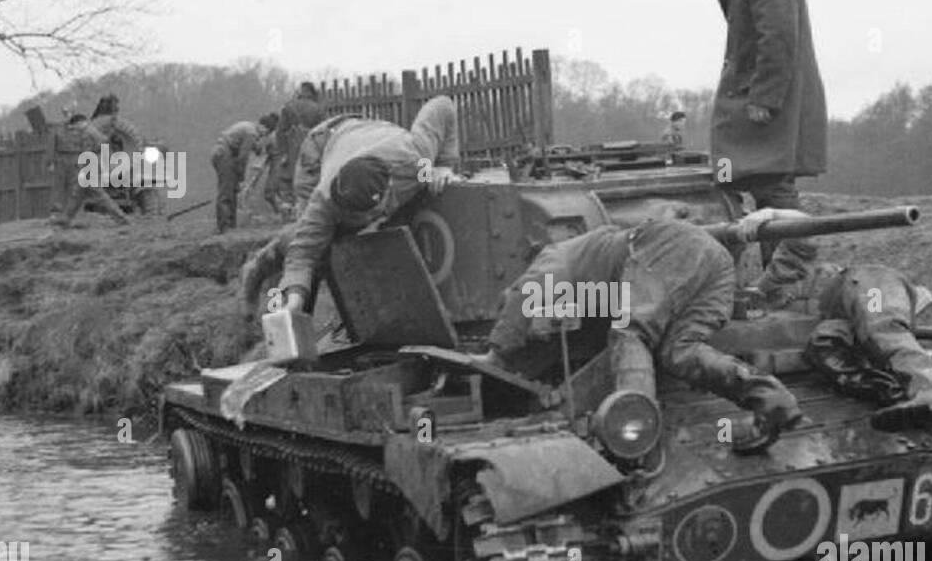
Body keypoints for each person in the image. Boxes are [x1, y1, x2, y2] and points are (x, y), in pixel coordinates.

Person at [472, 212, 802, 453]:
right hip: (718, 268)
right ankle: (773, 400)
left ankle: (635, 430)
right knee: (680, 353)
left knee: (630, 332)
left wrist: (496, 353)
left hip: (674, 244)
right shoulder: (592, 266)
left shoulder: (556, 258)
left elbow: (523, 296)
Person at [737, 207, 932, 431]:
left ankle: (929, 392)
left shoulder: (783, 273)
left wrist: (769, 215)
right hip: (847, 328)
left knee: (884, 329)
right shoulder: (761, 293)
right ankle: (899, 399)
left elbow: (805, 228)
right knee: (826, 344)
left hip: (870, 288)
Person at [711, 0, 828, 304]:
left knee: (771, 184)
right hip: (760, 97)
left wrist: (764, 99)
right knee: (757, 182)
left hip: (765, 102)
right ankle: (773, 284)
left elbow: (777, 37)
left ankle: (781, 286)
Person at [276, 96, 460, 312]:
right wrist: (295, 298)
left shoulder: (417, 164)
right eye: (351, 216)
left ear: (388, 189)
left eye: (363, 215)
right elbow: (303, 253)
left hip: (367, 133)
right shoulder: (324, 199)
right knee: (310, 241)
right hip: (320, 146)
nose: (359, 222)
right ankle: (286, 306)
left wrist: (443, 165)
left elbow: (442, 104)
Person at [51, 113, 129, 228]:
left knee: (99, 195)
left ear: (79, 123)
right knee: (77, 194)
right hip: (95, 163)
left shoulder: (86, 134)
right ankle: (66, 218)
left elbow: (86, 154)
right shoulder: (93, 131)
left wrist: (82, 168)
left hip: (90, 166)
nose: (75, 130)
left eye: (75, 127)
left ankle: (121, 218)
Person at [212, 114, 277, 233]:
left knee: (232, 191)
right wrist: (241, 178)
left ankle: (231, 226)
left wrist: (263, 146)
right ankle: (224, 226)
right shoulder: (251, 133)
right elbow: (243, 157)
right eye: (266, 133)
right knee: (227, 191)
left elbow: (254, 148)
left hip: (224, 153)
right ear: (265, 128)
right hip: (224, 154)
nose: (264, 136)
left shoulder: (249, 127)